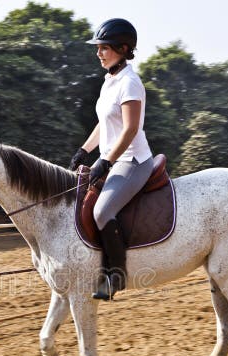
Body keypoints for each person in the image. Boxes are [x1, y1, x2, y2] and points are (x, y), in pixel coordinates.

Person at [69, 18, 154, 301]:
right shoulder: (110, 81)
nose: (99, 53)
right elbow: (105, 124)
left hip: (133, 161)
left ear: (123, 48)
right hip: (114, 158)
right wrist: (84, 151)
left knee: (102, 211)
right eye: (98, 48)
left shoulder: (130, 82)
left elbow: (130, 129)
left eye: (104, 47)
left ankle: (115, 276)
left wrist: (104, 161)